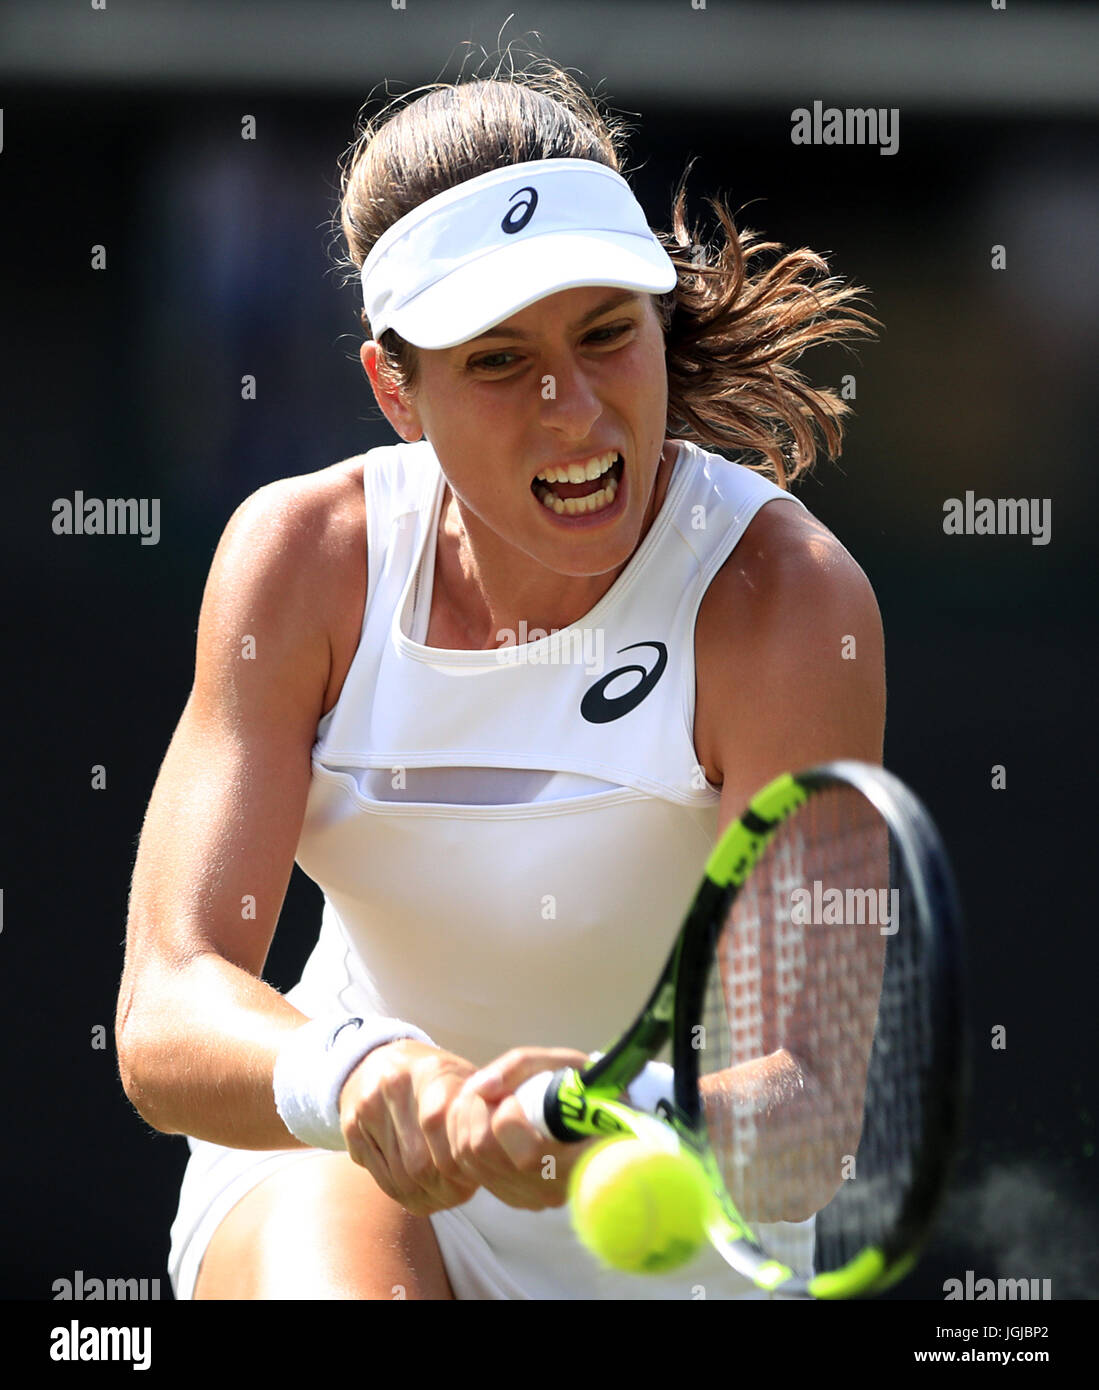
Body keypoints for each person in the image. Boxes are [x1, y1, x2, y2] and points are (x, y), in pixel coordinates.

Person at [116, 62, 885, 1300]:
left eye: (604, 336)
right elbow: (164, 1010)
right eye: (494, 361)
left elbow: (808, 1103)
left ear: (656, 325)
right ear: (393, 392)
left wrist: (604, 1109)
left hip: (675, 1229)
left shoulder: (786, 600)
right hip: (346, 1170)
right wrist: (362, 1074)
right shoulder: (301, 562)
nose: (573, 412)